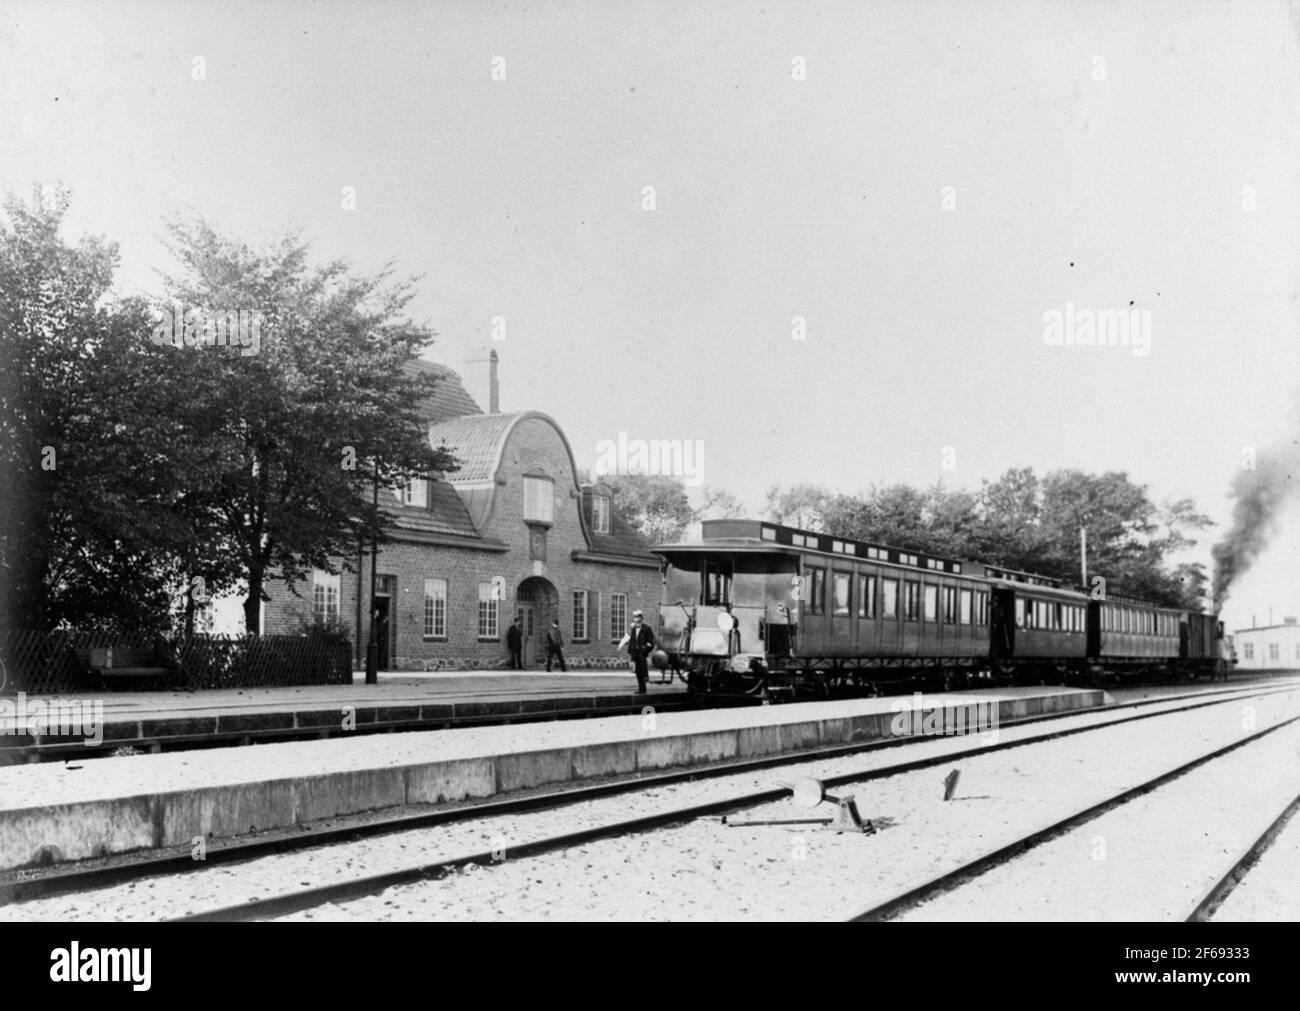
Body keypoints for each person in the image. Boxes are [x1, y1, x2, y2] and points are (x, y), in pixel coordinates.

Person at [626, 609, 656, 694]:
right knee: (637, 671)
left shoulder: (647, 629)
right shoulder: (634, 629)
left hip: (642, 653)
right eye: (635, 617)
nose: (637, 620)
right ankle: (641, 688)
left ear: (642, 618)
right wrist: (631, 653)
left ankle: (643, 688)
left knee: (643, 671)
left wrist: (645, 649)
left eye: (638, 617)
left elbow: (651, 642)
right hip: (635, 653)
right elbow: (632, 641)